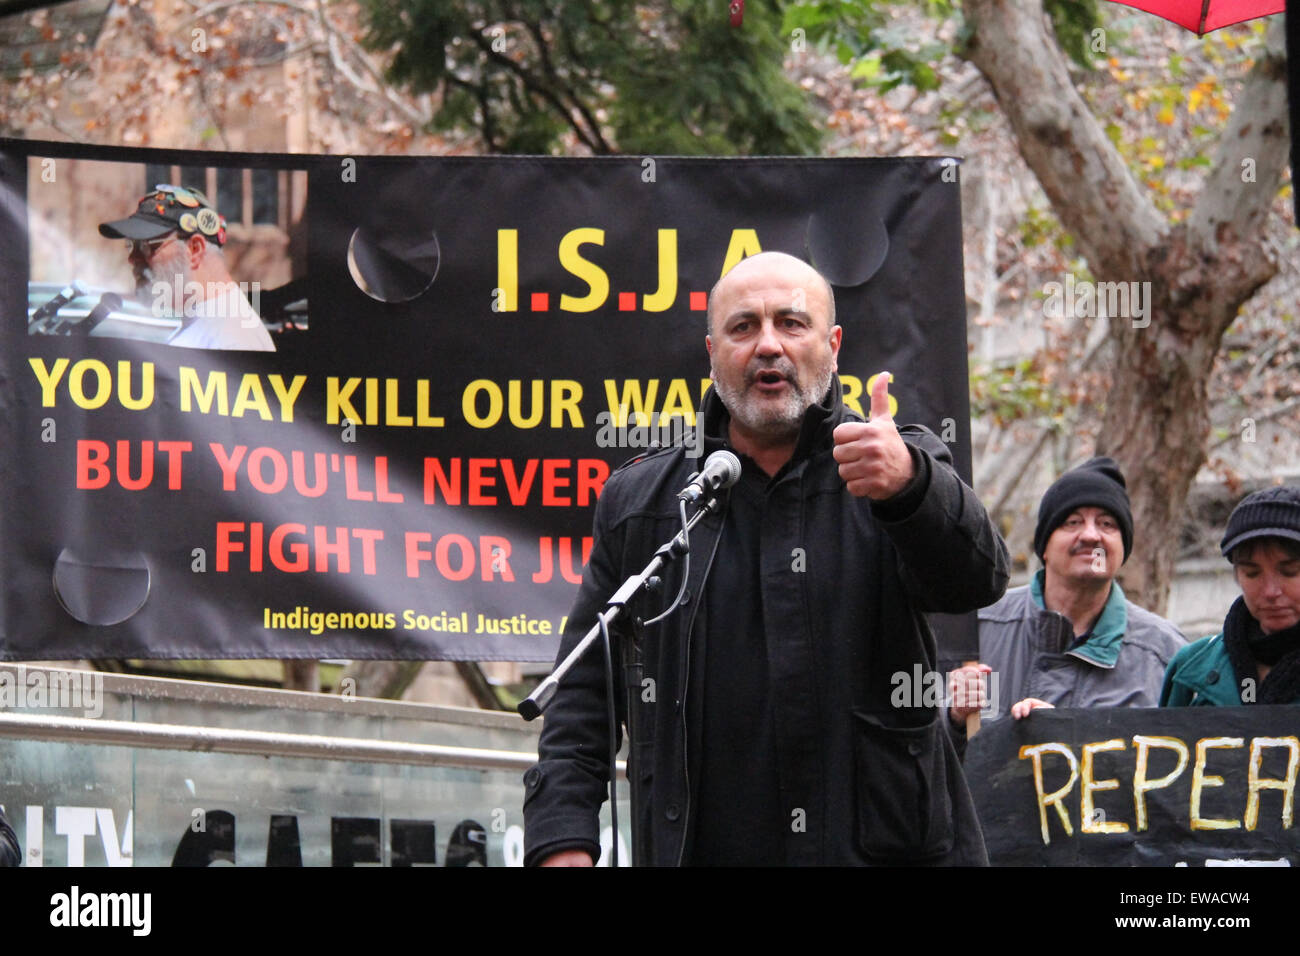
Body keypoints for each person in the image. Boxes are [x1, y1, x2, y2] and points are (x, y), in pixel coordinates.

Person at [522, 251, 1010, 866]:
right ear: (712, 352)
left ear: (832, 344)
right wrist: (561, 840)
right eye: (744, 327)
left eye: (792, 323)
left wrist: (911, 487)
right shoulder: (644, 503)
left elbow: (978, 578)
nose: (768, 346)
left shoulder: (889, 468)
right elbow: (584, 695)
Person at [949, 457, 1185, 728]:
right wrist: (953, 717)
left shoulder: (1164, 654)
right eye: (1072, 522)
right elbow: (914, 745)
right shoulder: (975, 628)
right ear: (1044, 547)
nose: (1091, 535)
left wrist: (1071, 736)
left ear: (1123, 549)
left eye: (1107, 524)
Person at [1162, 485, 1300, 706]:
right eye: (1252, 573)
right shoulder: (1192, 667)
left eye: (1289, 572)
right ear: (1237, 575)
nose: (1270, 591)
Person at [99, 184, 274, 351]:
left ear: (194, 249)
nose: (132, 258)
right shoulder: (210, 326)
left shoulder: (232, 339)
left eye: (146, 246)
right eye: (131, 245)